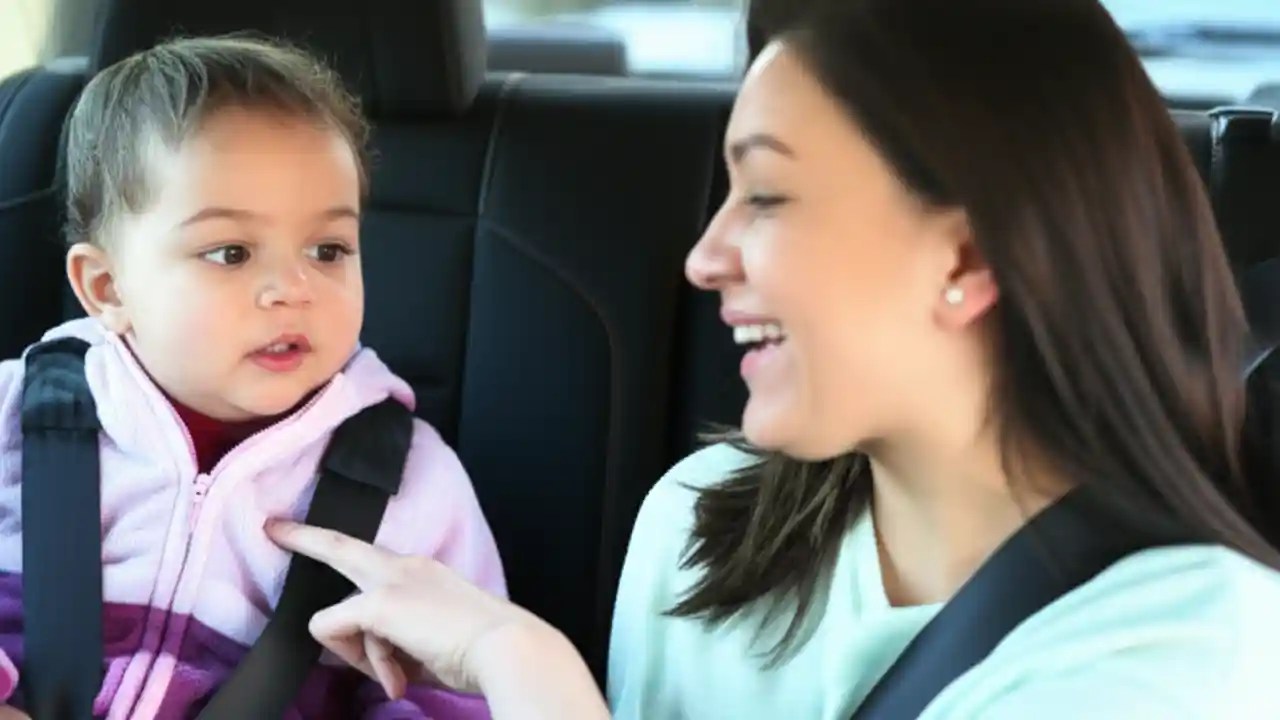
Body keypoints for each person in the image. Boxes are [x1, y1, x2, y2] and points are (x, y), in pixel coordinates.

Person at [269, 0, 1280, 718]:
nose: (704, 258)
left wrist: (519, 664)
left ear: (966, 259)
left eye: (766, 197)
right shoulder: (697, 525)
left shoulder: (1191, 654)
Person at [0, 36, 506, 718]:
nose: (293, 288)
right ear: (107, 287)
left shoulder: (415, 485)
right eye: (231, 253)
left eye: (328, 249)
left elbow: (456, 699)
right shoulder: (14, 416)